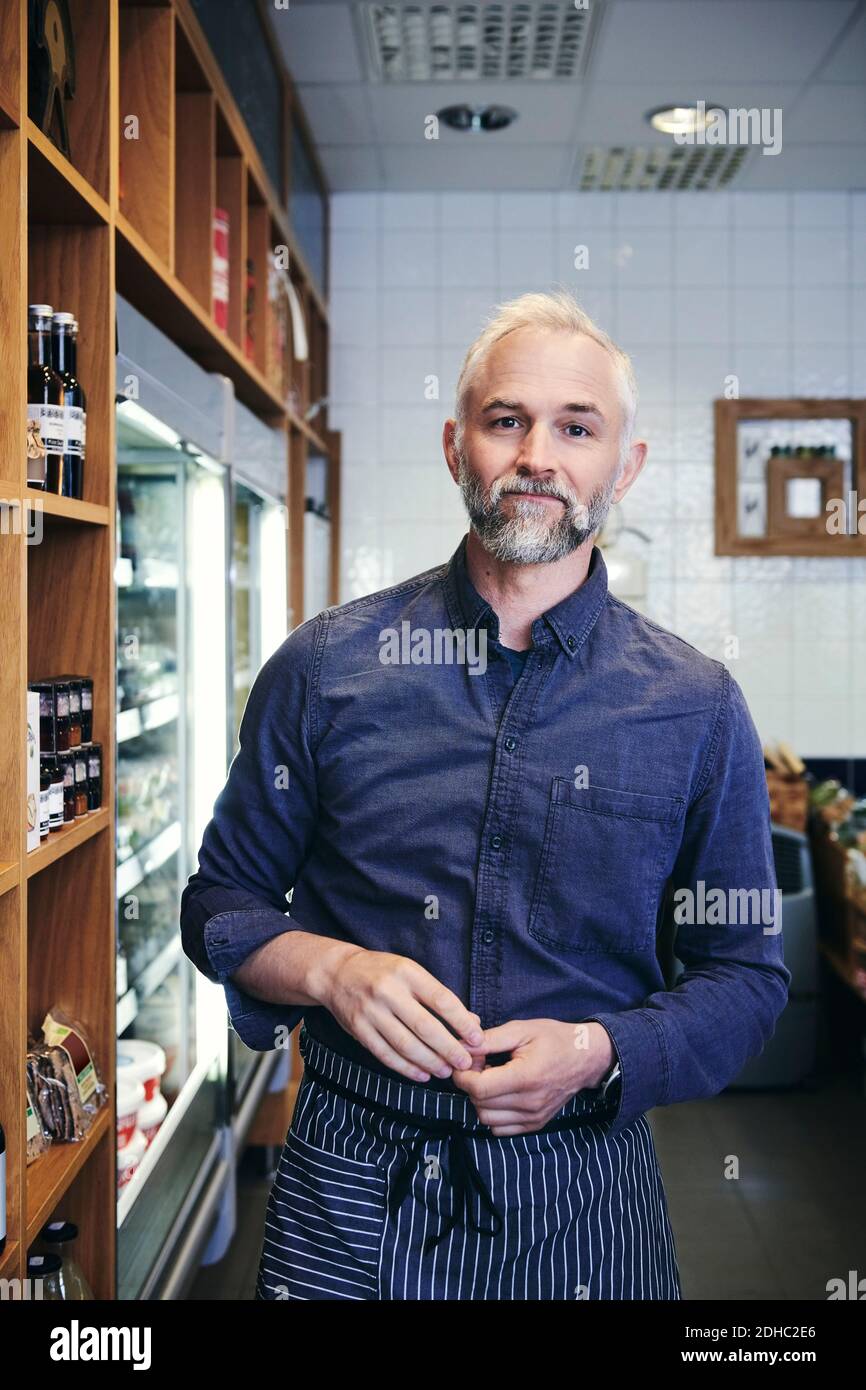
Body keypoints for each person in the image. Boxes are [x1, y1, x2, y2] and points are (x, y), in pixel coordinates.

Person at [180, 289, 790, 1301]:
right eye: (505, 420)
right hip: (348, 1179)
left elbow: (745, 977)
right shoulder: (324, 667)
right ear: (456, 446)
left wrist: (601, 1049)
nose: (536, 455)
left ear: (623, 466)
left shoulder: (695, 705)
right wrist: (331, 970)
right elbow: (219, 905)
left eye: (576, 427)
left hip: (582, 1184)